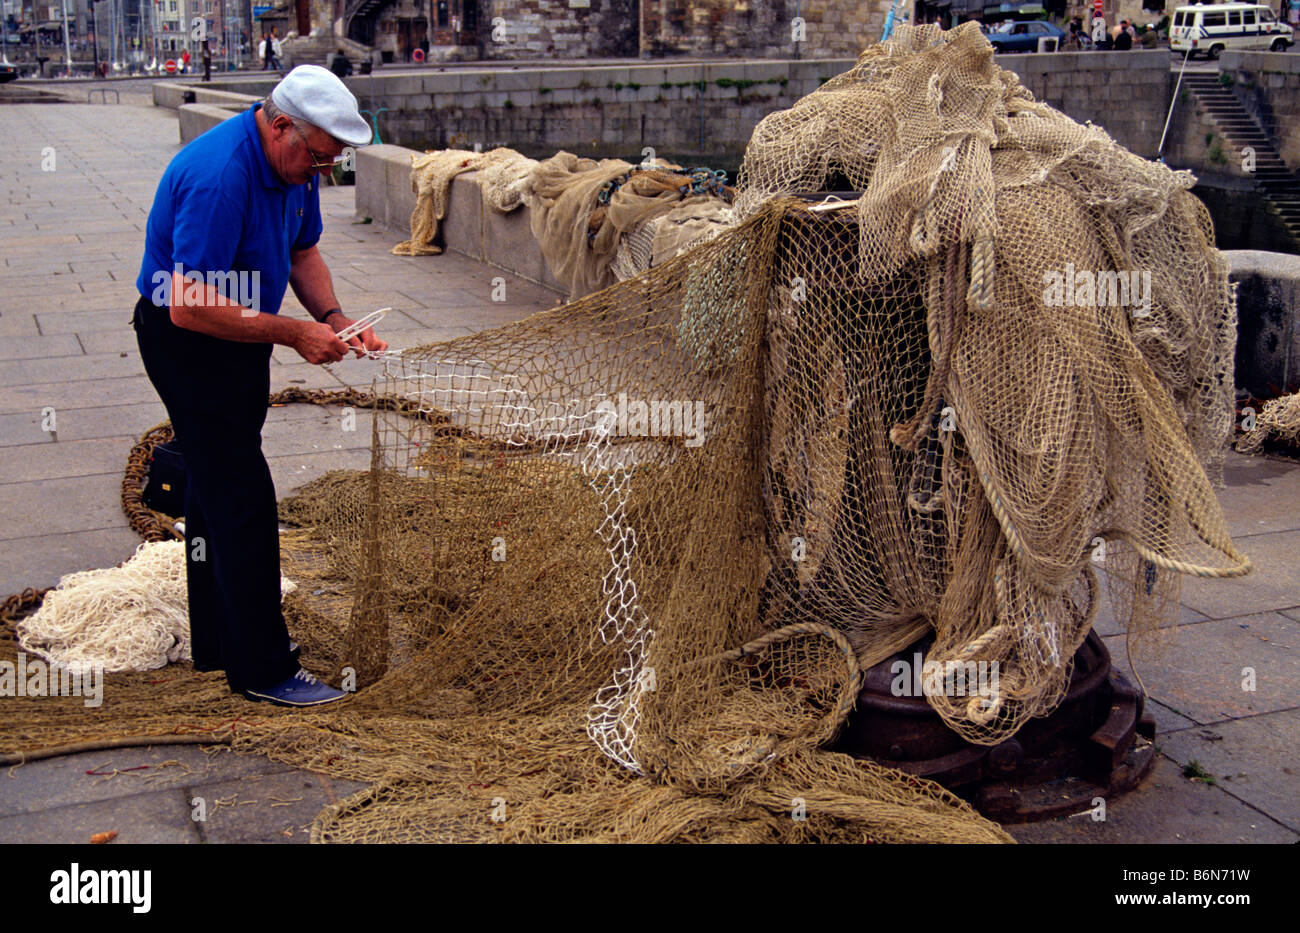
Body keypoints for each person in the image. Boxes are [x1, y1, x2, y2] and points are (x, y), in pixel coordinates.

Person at [132, 66, 386, 707]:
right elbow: (187, 305)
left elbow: (302, 251)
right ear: (279, 127)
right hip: (188, 339)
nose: (321, 175)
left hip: (241, 329)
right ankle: (262, 669)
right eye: (318, 160)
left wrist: (332, 319)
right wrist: (294, 334)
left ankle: (218, 637)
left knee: (216, 485)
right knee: (242, 495)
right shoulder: (222, 176)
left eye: (333, 164)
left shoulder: (296, 165)